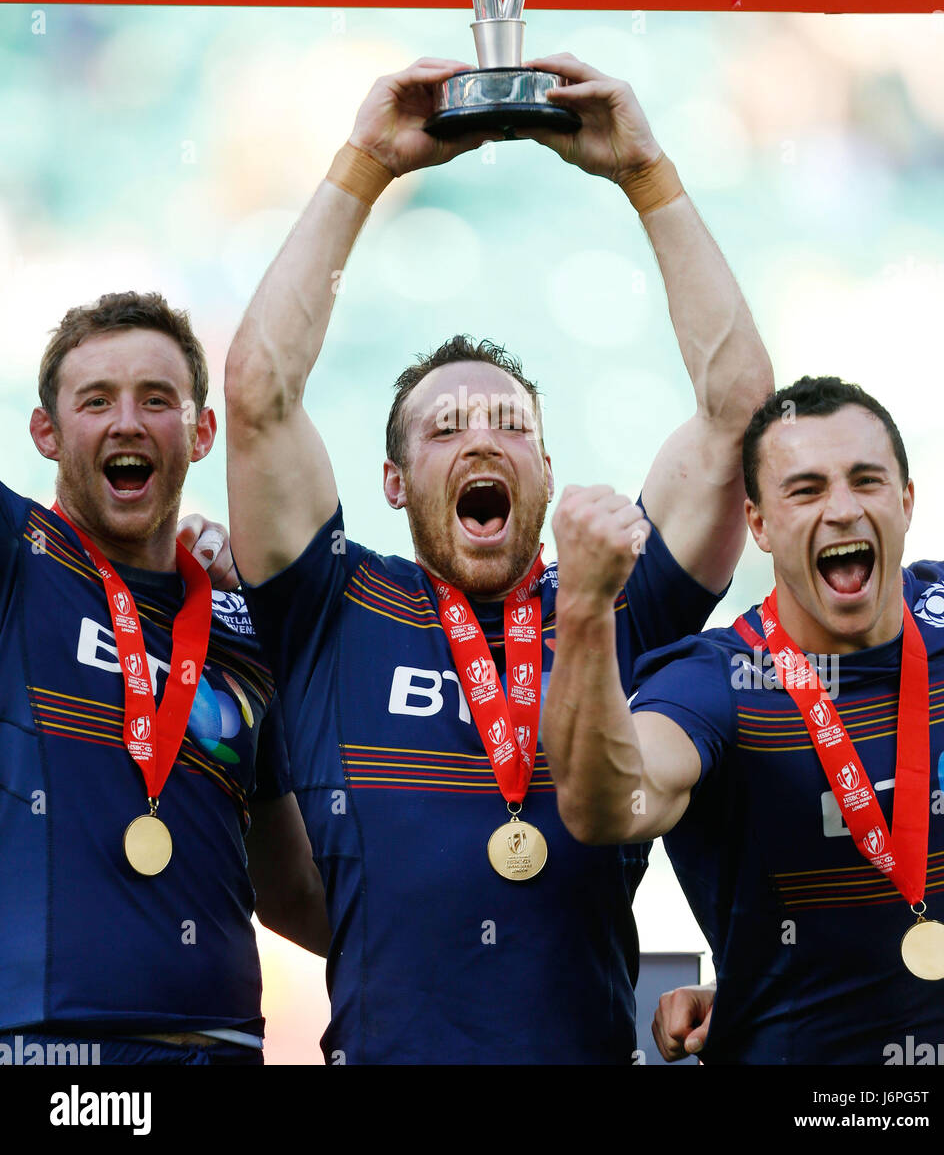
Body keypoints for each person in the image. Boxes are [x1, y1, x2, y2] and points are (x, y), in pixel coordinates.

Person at [224, 52, 773, 1064]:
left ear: (547, 465)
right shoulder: (332, 605)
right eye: (442, 429)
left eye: (506, 424)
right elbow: (258, 392)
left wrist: (645, 177)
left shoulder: (614, 604)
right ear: (392, 483)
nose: (479, 440)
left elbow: (741, 415)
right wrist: (365, 166)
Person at [544, 375, 944, 1064]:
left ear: (906, 501)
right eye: (805, 490)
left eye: (865, 481)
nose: (840, 509)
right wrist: (584, 611)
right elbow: (608, 807)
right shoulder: (717, 680)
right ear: (758, 524)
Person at [0, 291, 329, 1066]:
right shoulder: (18, 562)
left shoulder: (242, 625)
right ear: (45, 433)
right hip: (48, 1053)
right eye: (95, 401)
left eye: (157, 399)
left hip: (219, 1047)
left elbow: (294, 891)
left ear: (201, 431)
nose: (127, 422)